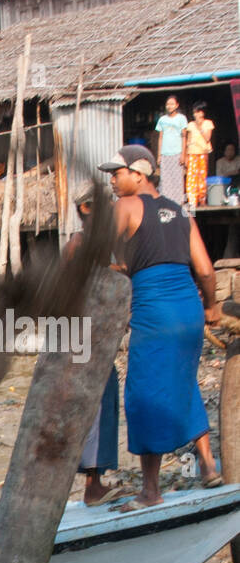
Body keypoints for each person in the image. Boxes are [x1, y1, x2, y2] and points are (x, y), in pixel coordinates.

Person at [98, 145, 222, 508]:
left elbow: (99, 252)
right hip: (188, 309)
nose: (112, 182)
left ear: (139, 174)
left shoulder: (126, 206)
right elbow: (205, 270)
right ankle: (209, 466)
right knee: (183, 381)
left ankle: (150, 491)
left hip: (156, 311)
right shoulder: (182, 211)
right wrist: (212, 307)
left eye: (117, 174)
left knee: (143, 395)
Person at [64, 184, 124, 504]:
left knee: (103, 396)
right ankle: (92, 486)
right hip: (83, 335)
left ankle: (94, 480)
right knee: (97, 400)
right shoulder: (80, 242)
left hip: (90, 333)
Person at [154, 95, 188, 205]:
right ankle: (166, 202)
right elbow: (160, 137)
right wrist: (159, 155)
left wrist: (183, 154)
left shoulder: (182, 118)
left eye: (172, 104)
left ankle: (178, 203)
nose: (169, 106)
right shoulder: (162, 120)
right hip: (165, 153)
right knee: (165, 178)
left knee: (177, 178)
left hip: (177, 153)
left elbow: (184, 137)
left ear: (177, 105)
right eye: (168, 104)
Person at [182, 102, 214, 209]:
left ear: (203, 113)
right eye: (194, 112)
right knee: (191, 177)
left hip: (203, 153)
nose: (196, 114)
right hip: (192, 153)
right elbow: (188, 140)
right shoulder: (190, 125)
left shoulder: (208, 123)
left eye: (198, 112)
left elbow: (207, 138)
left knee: (201, 177)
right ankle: (192, 202)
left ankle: (202, 200)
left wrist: (200, 126)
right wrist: (185, 155)